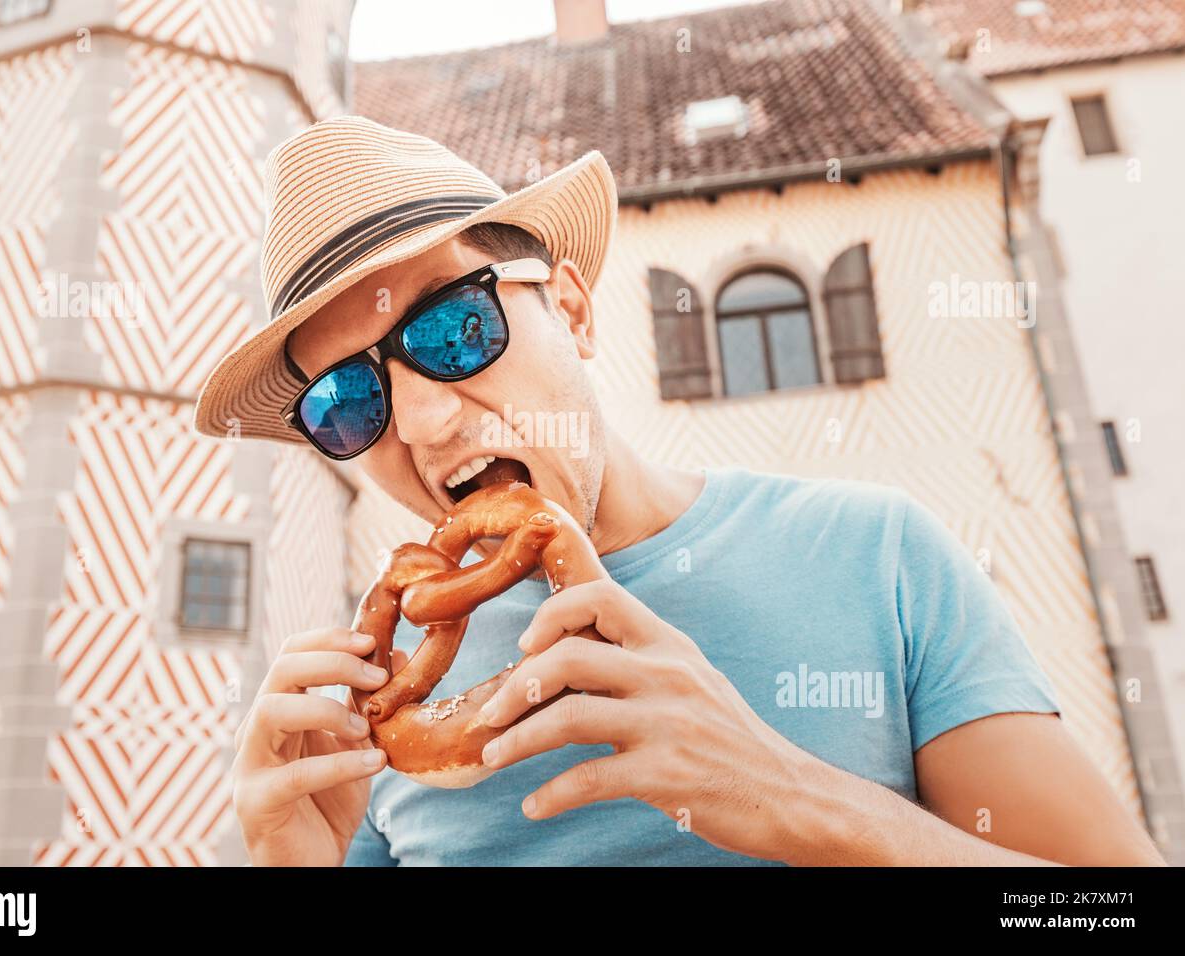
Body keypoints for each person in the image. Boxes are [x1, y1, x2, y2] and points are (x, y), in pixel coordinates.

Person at [195, 116, 1164, 866]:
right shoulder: (364, 722)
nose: (420, 421)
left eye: (452, 328)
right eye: (347, 398)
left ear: (569, 308)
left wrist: (787, 794)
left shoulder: (877, 554)